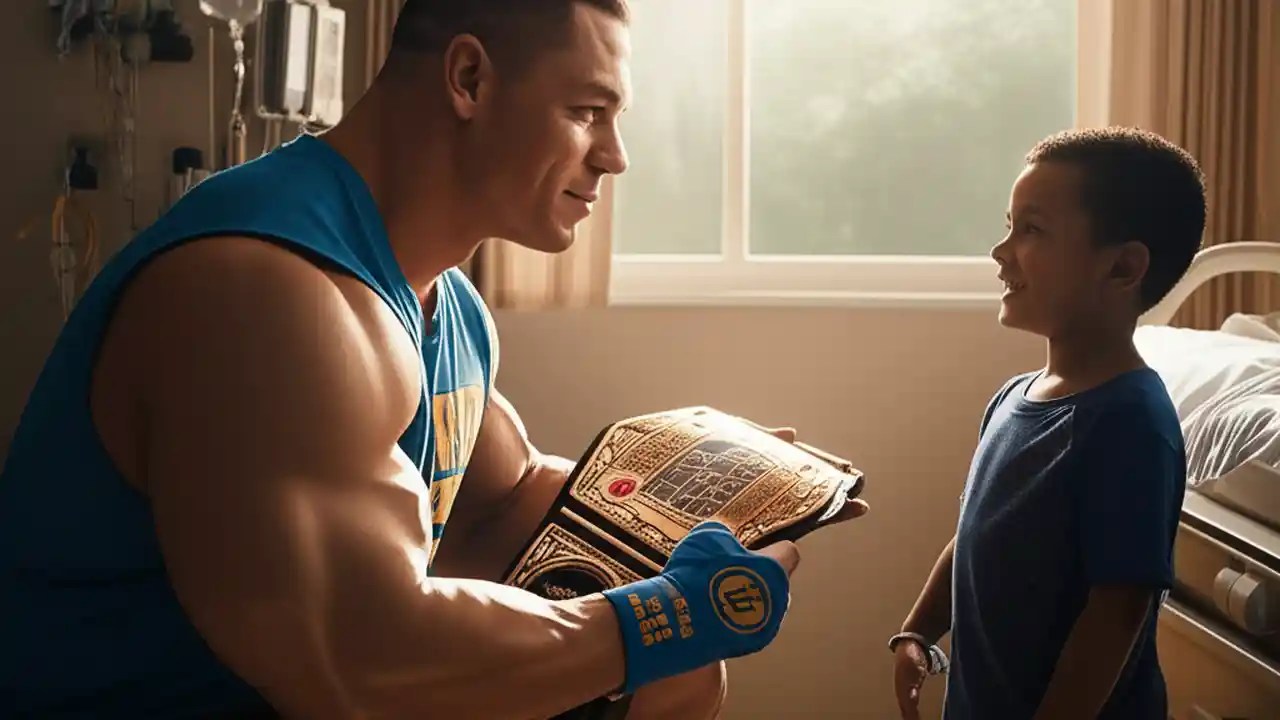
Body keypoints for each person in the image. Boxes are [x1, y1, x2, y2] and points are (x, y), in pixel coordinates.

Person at [0, 1, 868, 718]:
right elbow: (358, 664)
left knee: (675, 679)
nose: (614, 155)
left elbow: (497, 506)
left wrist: (703, 499)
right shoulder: (266, 295)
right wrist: (667, 619)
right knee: (659, 656)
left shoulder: (443, 303)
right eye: (586, 111)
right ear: (469, 79)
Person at [891, 127, 1205, 720]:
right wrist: (918, 631)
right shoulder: (1012, 400)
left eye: (1031, 230)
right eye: (1009, 225)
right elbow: (973, 539)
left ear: (1122, 267)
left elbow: (1118, 609)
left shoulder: (1130, 421)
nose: (1001, 251)